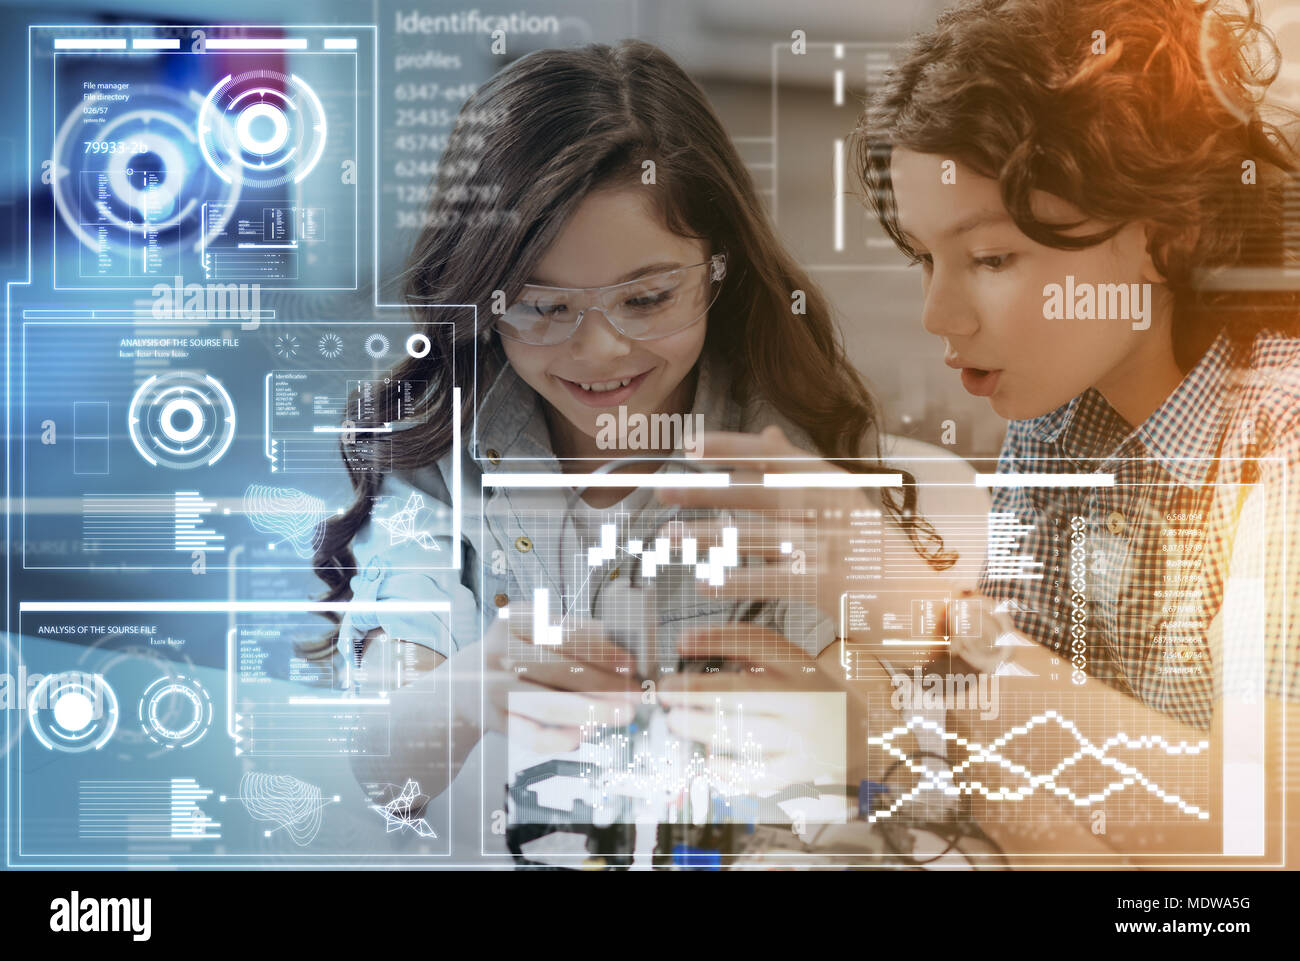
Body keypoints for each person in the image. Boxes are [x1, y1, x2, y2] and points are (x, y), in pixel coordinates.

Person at [668, 0, 1300, 862]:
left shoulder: (1279, 437)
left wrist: (938, 629)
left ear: (1166, 234)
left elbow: (1262, 831)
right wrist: (876, 748)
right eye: (926, 258)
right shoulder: (1058, 424)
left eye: (992, 258)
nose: (939, 314)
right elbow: (1046, 802)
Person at [308, 40, 944, 814]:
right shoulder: (441, 444)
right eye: (544, 306)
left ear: (720, 269)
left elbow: (898, 764)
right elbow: (387, 776)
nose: (601, 349)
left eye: (646, 299)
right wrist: (471, 688)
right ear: (485, 299)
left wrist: (847, 735)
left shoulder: (776, 464)